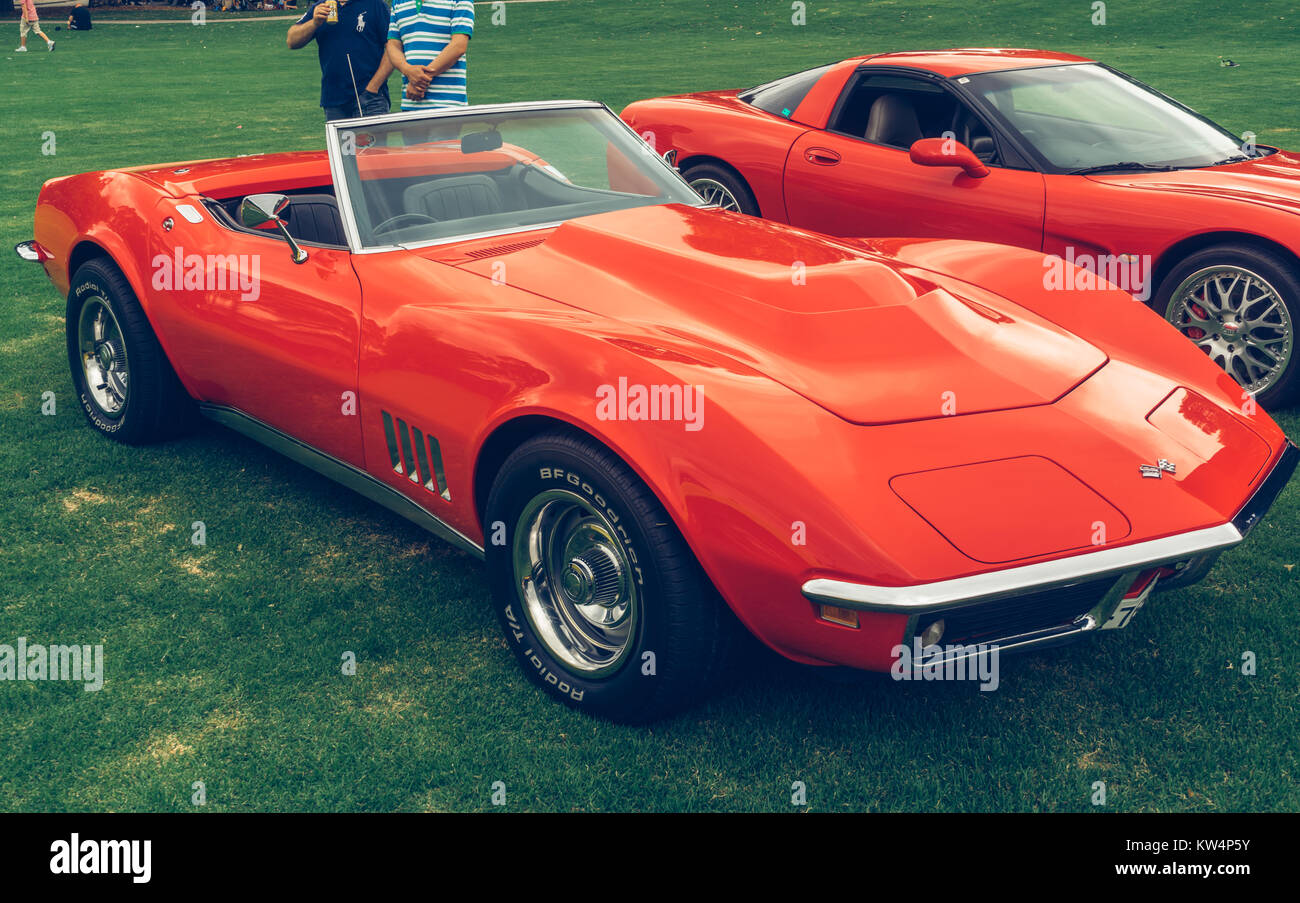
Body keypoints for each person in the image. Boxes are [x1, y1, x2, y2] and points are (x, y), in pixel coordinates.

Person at [287, 0, 394, 121]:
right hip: (334, 99)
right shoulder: (322, 7)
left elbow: (394, 49)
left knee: (372, 139)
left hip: (371, 99)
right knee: (340, 140)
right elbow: (292, 40)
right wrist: (314, 23)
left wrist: (373, 87)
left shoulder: (375, 5)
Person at [386, 0, 474, 111]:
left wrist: (419, 80)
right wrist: (407, 70)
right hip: (411, 103)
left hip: (448, 105)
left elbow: (459, 45)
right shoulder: (398, 2)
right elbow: (392, 46)